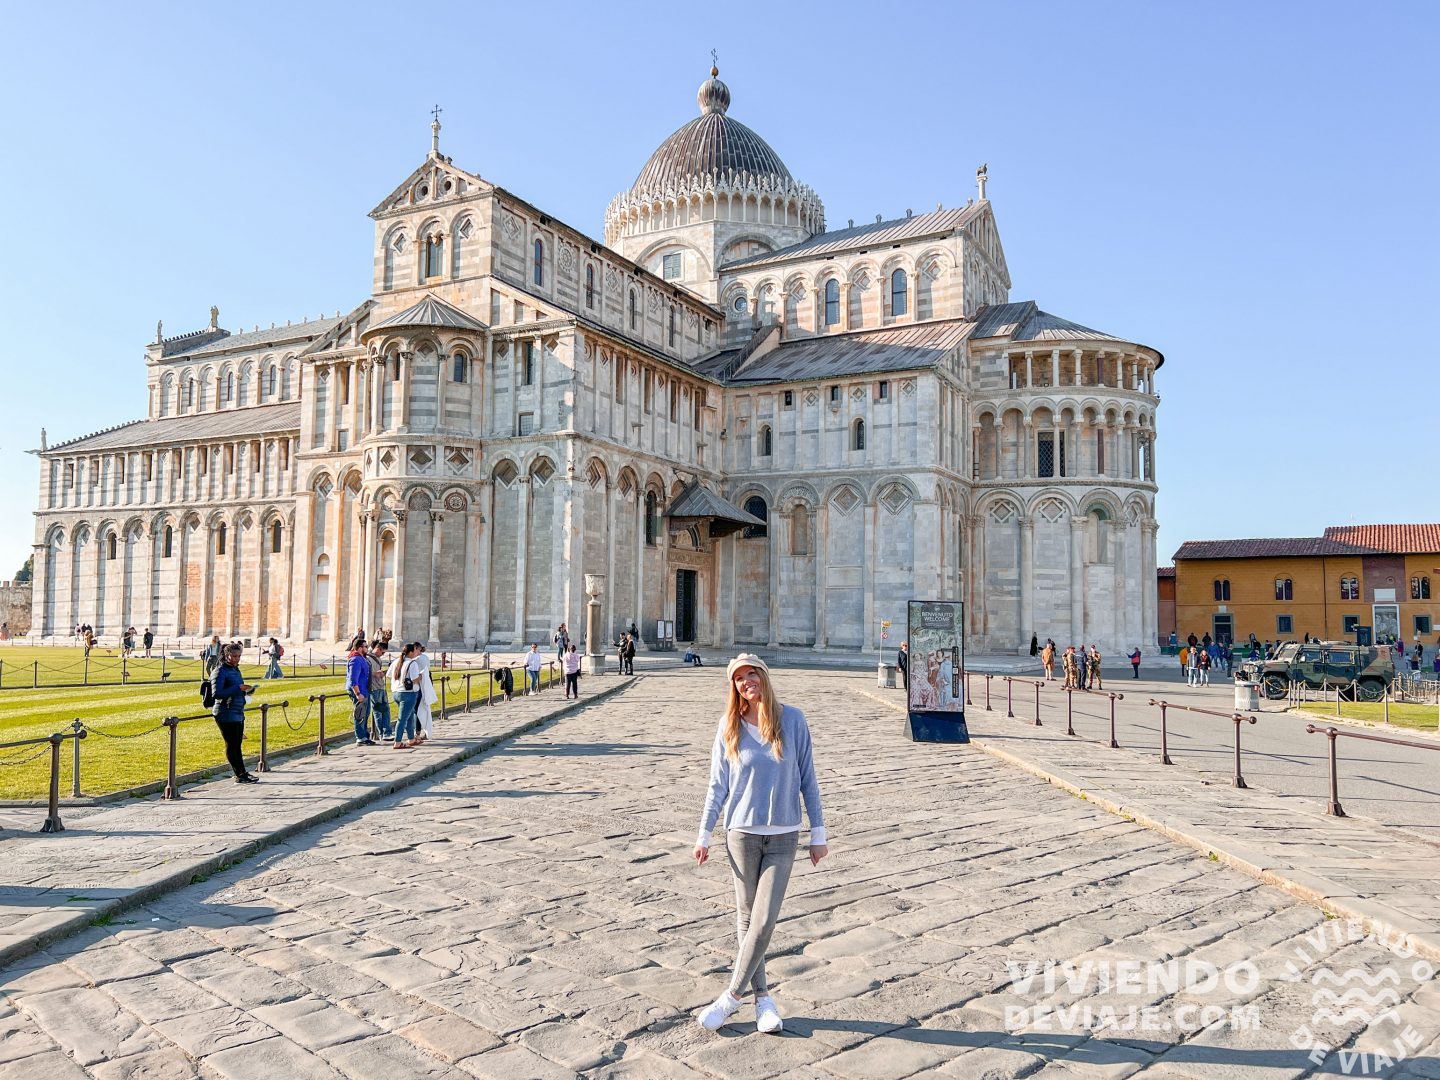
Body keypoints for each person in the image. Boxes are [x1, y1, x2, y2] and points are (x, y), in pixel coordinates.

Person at [694, 654, 827, 1035]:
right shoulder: (729, 725)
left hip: (784, 834)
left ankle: (731, 997)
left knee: (764, 919)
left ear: (764, 677)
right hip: (741, 834)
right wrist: (704, 834)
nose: (746, 682)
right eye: (738, 679)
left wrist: (818, 833)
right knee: (747, 918)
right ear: (733, 687)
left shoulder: (793, 720)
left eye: (751, 674)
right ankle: (763, 999)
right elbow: (717, 785)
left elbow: (808, 778)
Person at [213, 642, 258, 783]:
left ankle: (242, 773)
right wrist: (238, 688)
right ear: (227, 655)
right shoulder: (220, 671)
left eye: (239, 656)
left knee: (237, 744)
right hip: (225, 712)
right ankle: (240, 775)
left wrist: (247, 691)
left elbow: (237, 689)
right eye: (234, 656)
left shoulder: (235, 670)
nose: (237, 659)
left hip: (237, 710)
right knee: (232, 745)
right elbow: (217, 693)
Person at [389, 642, 421, 748]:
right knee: (402, 718)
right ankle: (397, 742)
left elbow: (389, 675)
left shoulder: (396, 661)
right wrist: (421, 676)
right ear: (411, 652)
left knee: (409, 716)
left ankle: (411, 739)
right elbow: (414, 679)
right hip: (408, 693)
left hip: (396, 692)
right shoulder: (412, 663)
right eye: (414, 651)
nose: (416, 653)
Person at [346, 639, 376, 746]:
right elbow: (353, 679)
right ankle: (360, 737)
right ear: (359, 648)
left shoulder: (362, 658)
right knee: (360, 714)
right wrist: (357, 693)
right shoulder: (355, 659)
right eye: (365, 646)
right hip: (360, 691)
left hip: (365, 690)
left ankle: (364, 735)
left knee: (365, 714)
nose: (367, 648)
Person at [367, 640, 393, 741]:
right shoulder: (368, 658)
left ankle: (387, 732)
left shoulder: (377, 659)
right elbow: (367, 673)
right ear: (378, 649)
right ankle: (382, 733)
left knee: (386, 710)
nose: (383, 654)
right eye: (382, 652)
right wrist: (376, 674)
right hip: (374, 687)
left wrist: (382, 673)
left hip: (381, 686)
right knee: (378, 711)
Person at [413, 644, 436, 742]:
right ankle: (425, 732)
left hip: (420, 685)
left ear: (417, 649)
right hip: (426, 684)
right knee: (425, 709)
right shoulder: (425, 657)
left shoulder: (417, 659)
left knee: (418, 710)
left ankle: (417, 733)